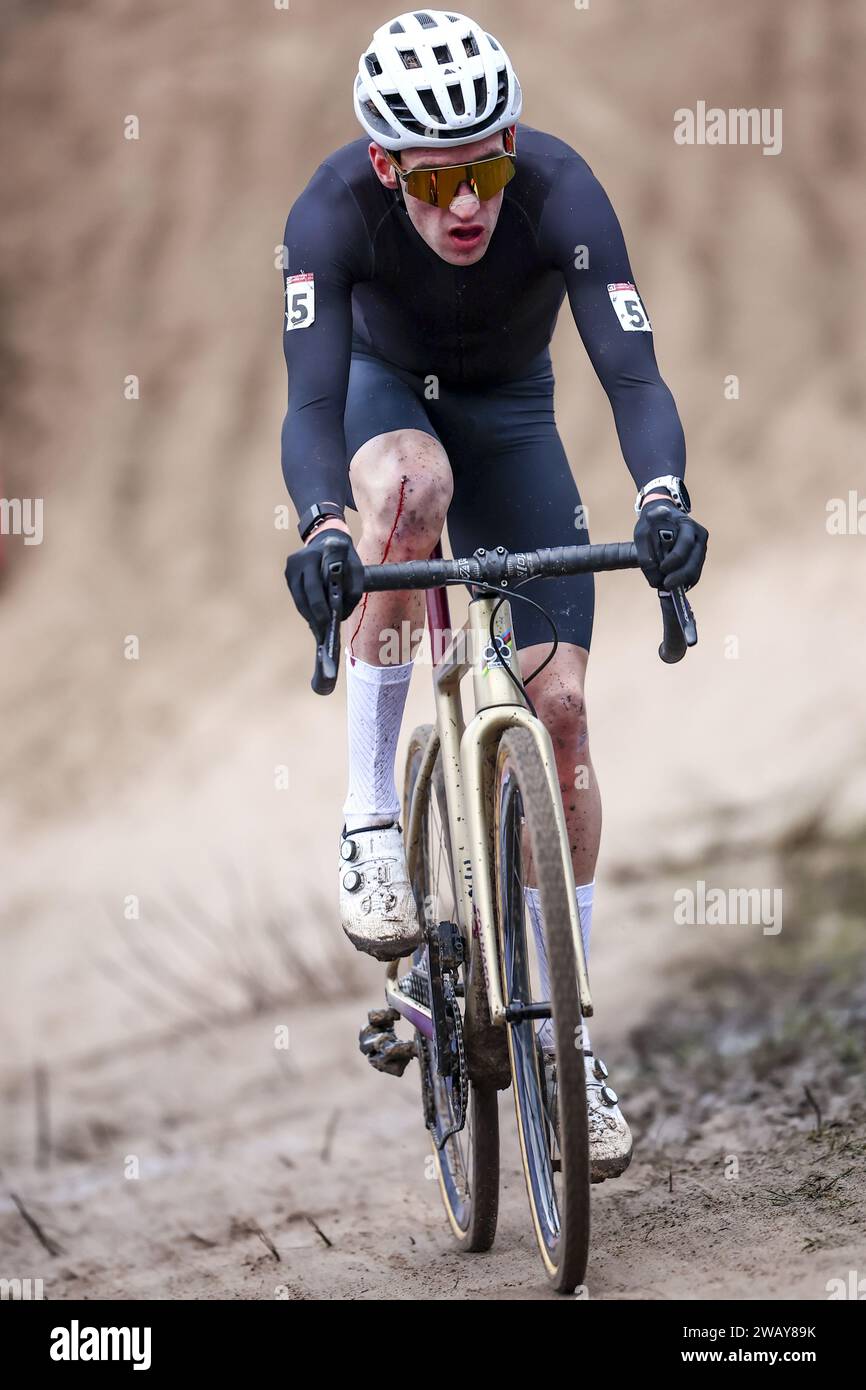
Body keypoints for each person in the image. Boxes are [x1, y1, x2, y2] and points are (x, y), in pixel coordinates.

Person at [281, 10, 708, 1182]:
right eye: (437, 180)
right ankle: (371, 816)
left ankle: (568, 1041)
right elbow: (312, 404)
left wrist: (662, 495)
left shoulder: (560, 189)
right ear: (385, 167)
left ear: (512, 141)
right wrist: (327, 524)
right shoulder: (328, 213)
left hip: (514, 415)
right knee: (411, 486)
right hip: (384, 404)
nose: (467, 203)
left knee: (561, 710)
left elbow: (631, 369)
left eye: (488, 166)